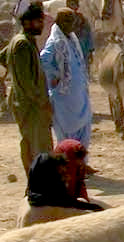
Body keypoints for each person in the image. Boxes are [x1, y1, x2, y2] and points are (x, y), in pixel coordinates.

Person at [0, 2, 53, 171]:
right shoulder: (22, 44)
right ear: (28, 23)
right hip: (29, 104)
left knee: (34, 144)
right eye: (39, 22)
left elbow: (1, 58)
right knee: (38, 146)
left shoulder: (23, 40)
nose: (42, 26)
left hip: (27, 102)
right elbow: (26, 81)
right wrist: (42, 102)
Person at [40, 8, 93, 148]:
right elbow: (43, 61)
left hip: (79, 96)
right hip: (64, 98)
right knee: (66, 136)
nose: (72, 24)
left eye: (73, 21)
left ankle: (80, 164)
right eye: (68, 21)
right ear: (59, 22)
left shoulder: (72, 39)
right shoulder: (54, 42)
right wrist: (55, 75)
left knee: (84, 131)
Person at [21, 138, 105, 225]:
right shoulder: (55, 172)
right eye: (63, 174)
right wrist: (92, 207)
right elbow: (64, 201)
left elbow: (78, 185)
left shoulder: (50, 163)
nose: (67, 177)